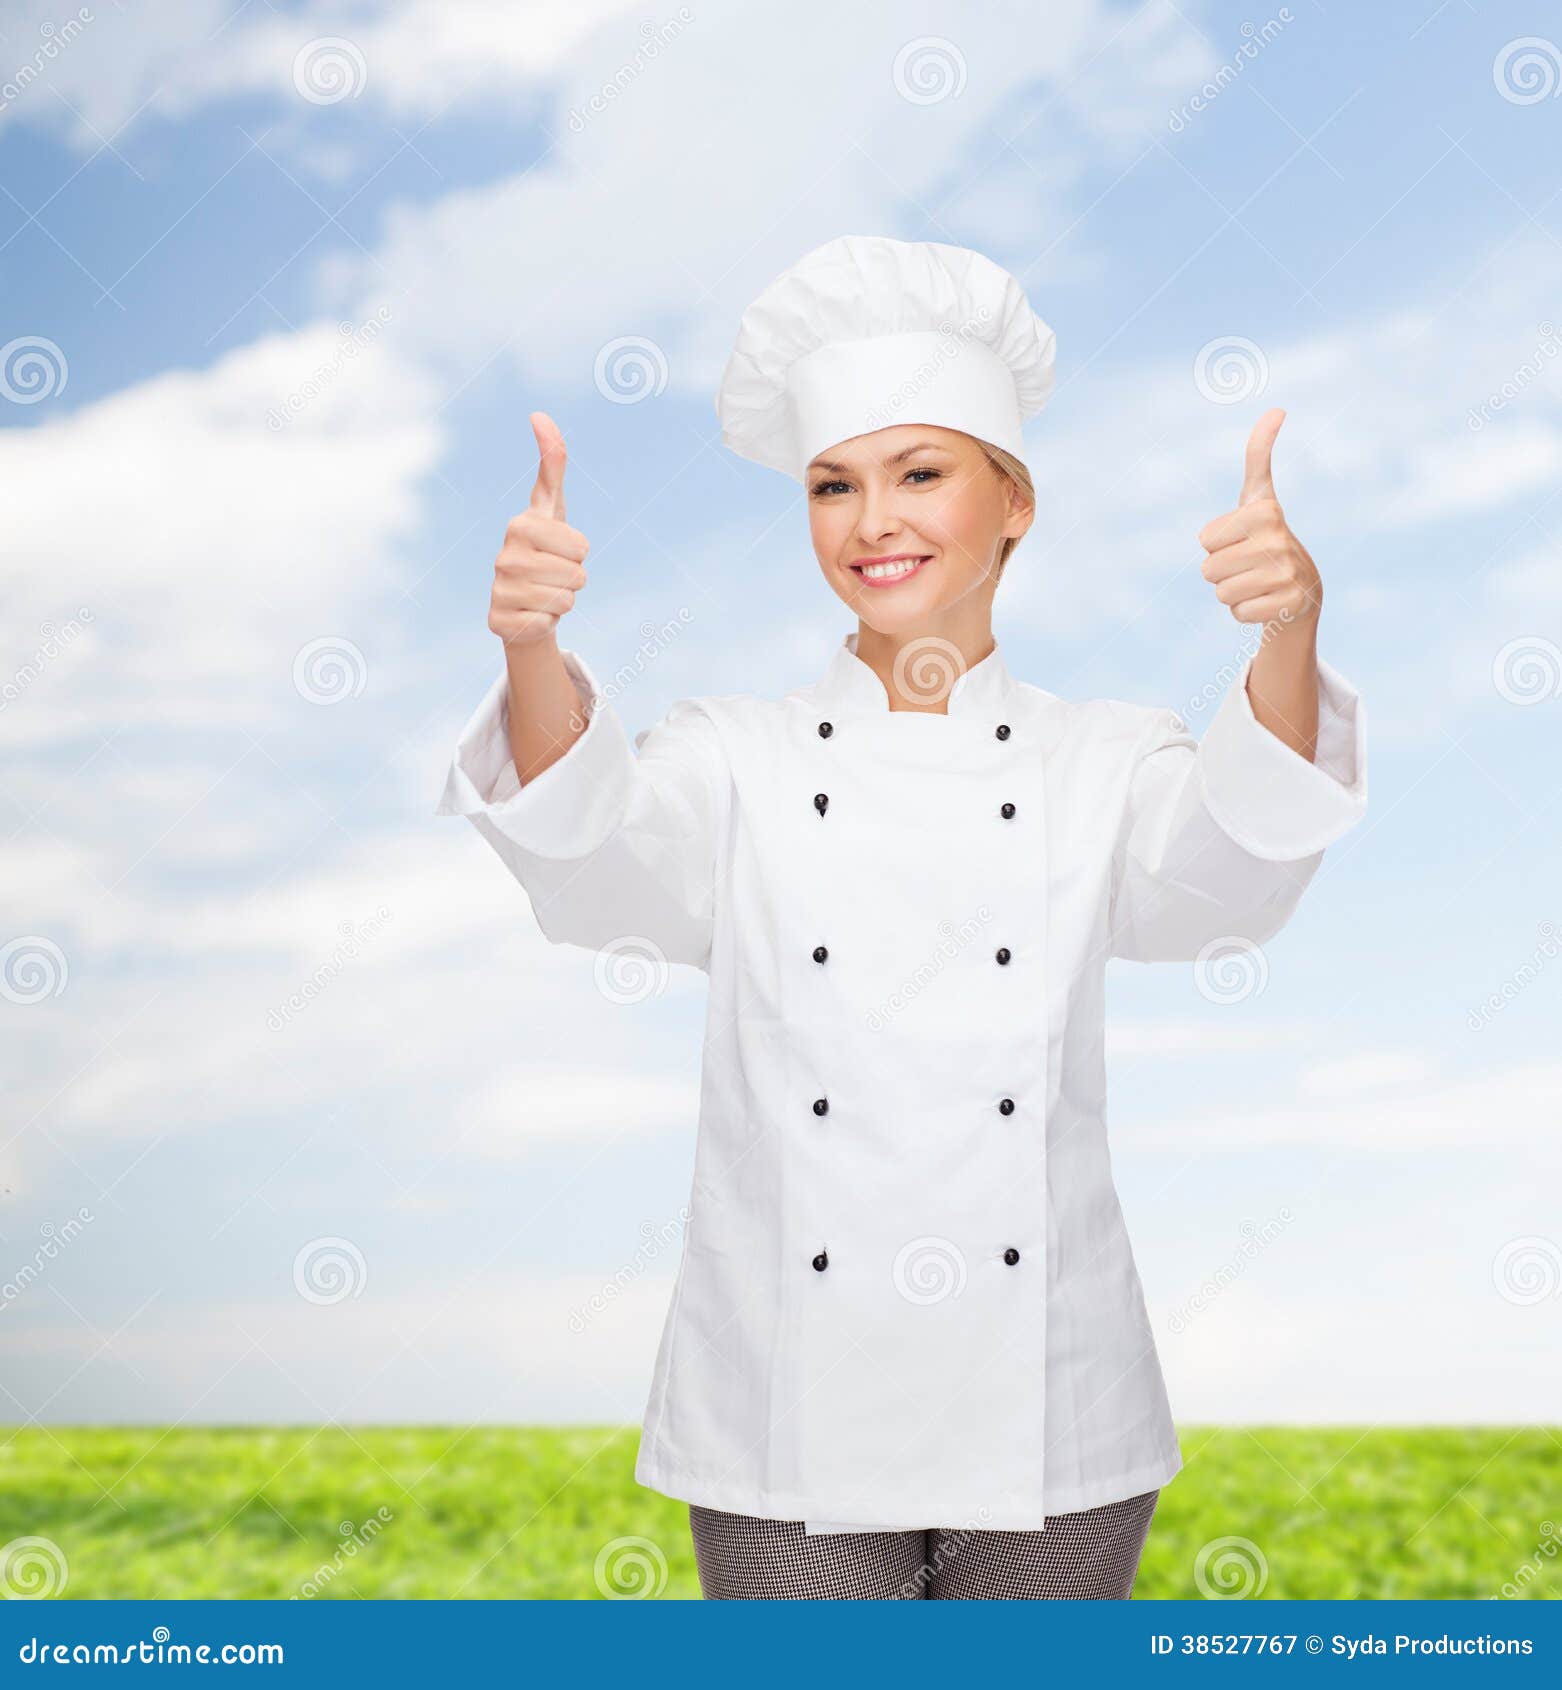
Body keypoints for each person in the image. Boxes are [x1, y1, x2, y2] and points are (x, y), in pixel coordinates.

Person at [438, 236, 1368, 1600]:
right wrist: (528, 647)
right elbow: (598, 871)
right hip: (783, 1408)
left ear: (1015, 502)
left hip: (1052, 1408)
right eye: (833, 485)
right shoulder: (733, 752)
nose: (871, 520)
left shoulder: (1102, 753)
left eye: (918, 472)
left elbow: (1224, 887)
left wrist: (1286, 635)